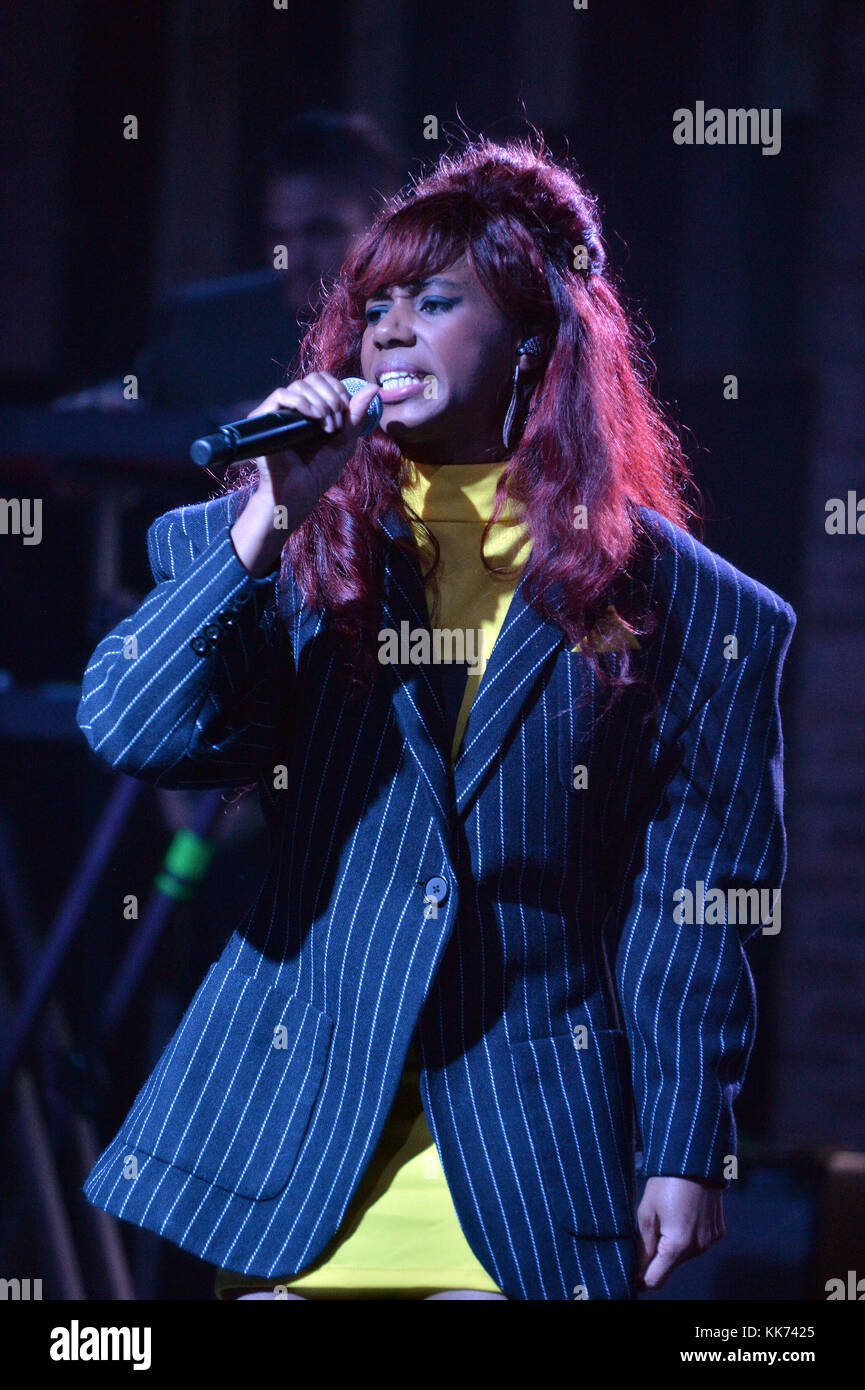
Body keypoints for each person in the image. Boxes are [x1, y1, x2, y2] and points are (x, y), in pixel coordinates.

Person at [75, 134, 796, 1301]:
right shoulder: (269, 548)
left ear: (532, 338)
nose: (390, 330)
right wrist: (267, 525)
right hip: (295, 1151)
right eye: (375, 308)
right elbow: (136, 732)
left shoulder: (690, 609)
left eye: (434, 300)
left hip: (530, 1164)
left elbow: (694, 906)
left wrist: (687, 1139)